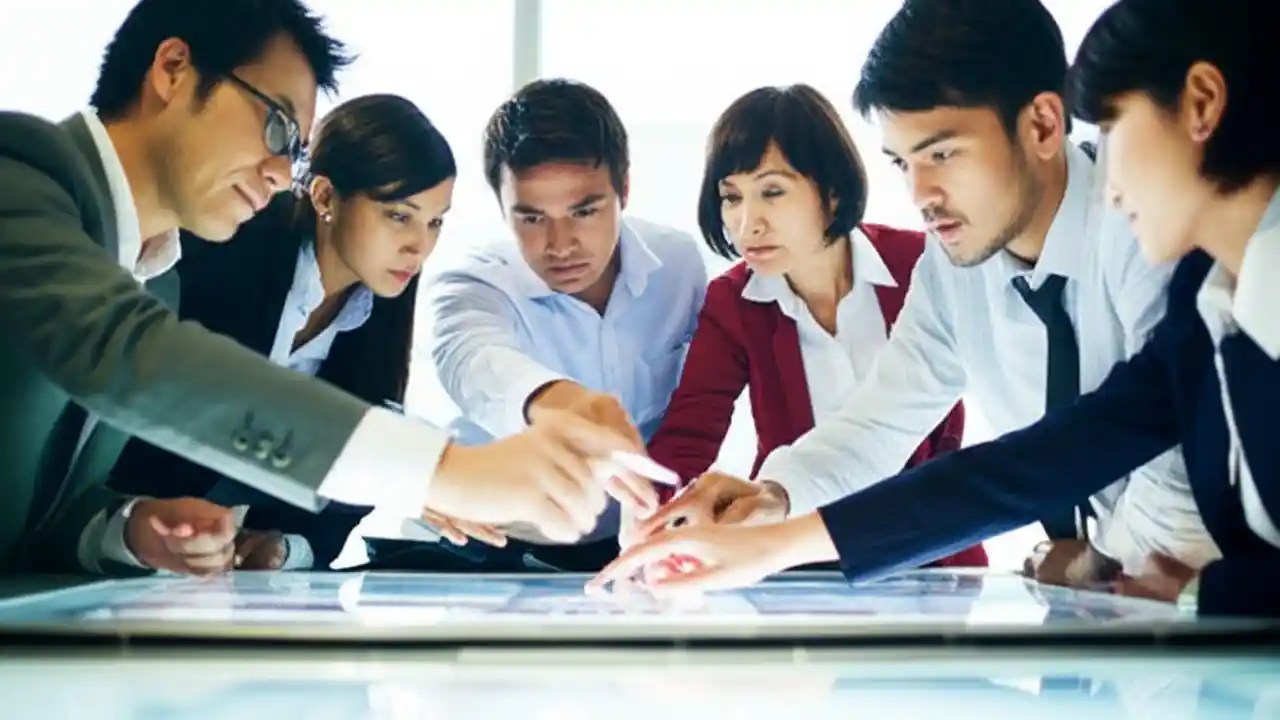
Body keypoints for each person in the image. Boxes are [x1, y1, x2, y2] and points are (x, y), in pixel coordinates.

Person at [593, 0, 1280, 618]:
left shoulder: (1160, 242)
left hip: (1178, 597)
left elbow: (1156, 459)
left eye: (943, 154)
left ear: (1044, 122)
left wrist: (1114, 568)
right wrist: (773, 510)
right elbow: (908, 432)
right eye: (901, 163)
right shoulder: (956, 266)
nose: (921, 193)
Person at [0, 0, 646, 577]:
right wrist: (444, 471)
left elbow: (40, 524)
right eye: (278, 126)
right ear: (172, 69)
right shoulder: (20, 173)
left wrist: (131, 530)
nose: (284, 173)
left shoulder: (157, 283)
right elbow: (126, 354)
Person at [363, 79, 708, 572]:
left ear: (624, 190)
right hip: (477, 548)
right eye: (531, 218)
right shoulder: (472, 283)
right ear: (501, 208)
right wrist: (564, 406)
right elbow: (477, 363)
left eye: (584, 211)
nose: (561, 243)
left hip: (624, 549)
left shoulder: (679, 266)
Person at [109, 94, 455, 571]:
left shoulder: (377, 312)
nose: (420, 244)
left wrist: (289, 547)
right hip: (96, 527)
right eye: (399, 215)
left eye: (435, 221)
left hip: (198, 572)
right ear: (325, 196)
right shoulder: (226, 248)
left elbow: (334, 513)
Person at [645, 84, 984, 568]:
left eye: (772, 192)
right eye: (731, 197)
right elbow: (691, 432)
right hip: (795, 555)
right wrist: (652, 516)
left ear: (832, 190)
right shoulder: (734, 301)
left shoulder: (922, 264)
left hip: (932, 544)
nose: (746, 224)